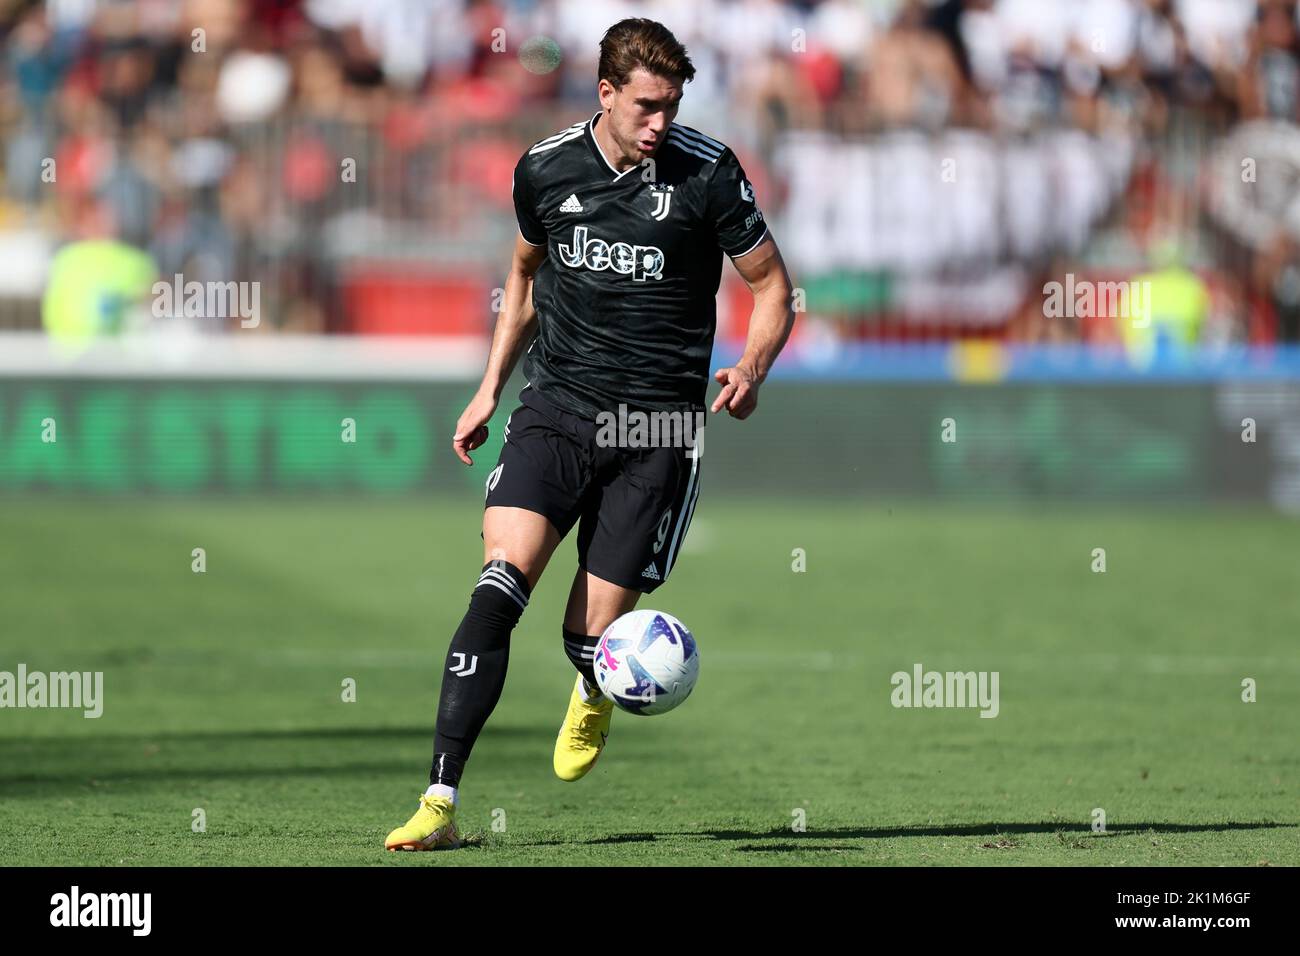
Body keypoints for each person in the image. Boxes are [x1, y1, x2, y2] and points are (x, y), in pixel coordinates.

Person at [385, 17, 795, 851]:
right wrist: (489, 388)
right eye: (647, 106)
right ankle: (439, 801)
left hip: (656, 427)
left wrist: (750, 371)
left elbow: (774, 287)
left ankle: (596, 682)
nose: (661, 124)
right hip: (559, 407)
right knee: (499, 586)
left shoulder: (709, 173)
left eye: (673, 106)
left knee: (589, 639)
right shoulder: (545, 168)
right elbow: (524, 275)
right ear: (604, 93)